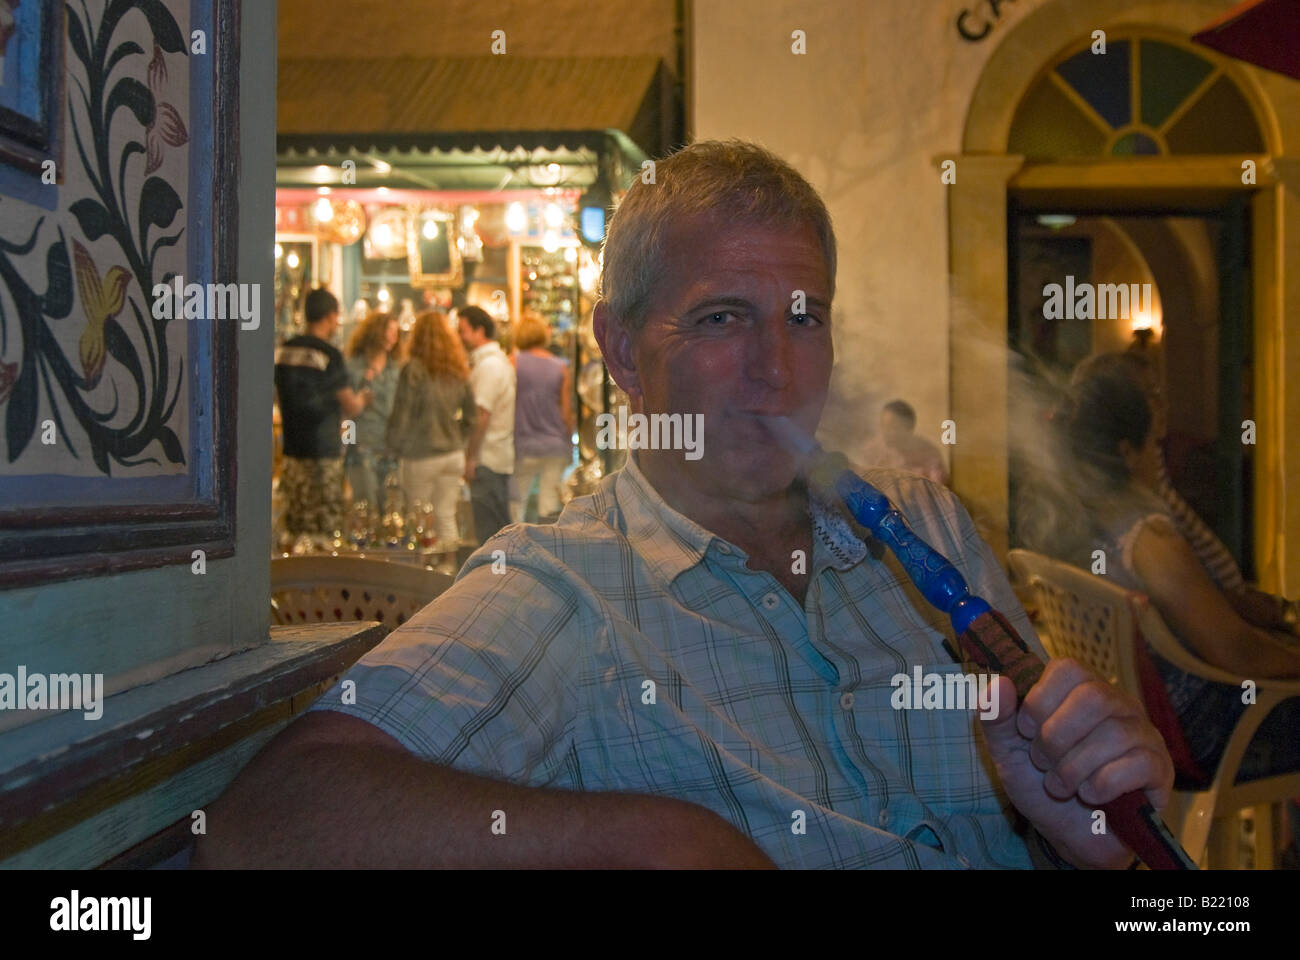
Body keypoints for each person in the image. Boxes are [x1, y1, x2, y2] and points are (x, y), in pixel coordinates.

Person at [198, 141, 1171, 870]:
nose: (777, 371)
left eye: (804, 319)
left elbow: (1063, 821)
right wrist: (655, 834)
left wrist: (1086, 838)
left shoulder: (924, 523)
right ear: (621, 352)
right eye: (720, 319)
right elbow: (263, 825)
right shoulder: (562, 586)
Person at [1040, 352, 1300, 787]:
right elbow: (1236, 652)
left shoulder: (1079, 528)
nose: (1157, 454)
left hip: (1140, 726)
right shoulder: (1147, 539)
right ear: (1127, 451)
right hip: (1206, 737)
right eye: (1152, 445)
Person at [273, 289, 372, 542]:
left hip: (292, 452)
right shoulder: (330, 354)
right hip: (323, 453)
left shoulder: (283, 351)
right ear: (330, 316)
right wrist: (364, 397)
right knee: (326, 530)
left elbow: (275, 396)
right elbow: (350, 405)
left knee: (295, 527)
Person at [386, 312, 478, 575]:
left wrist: (394, 446)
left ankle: (422, 576)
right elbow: (472, 417)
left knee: (419, 518)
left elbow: (402, 414)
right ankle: (449, 572)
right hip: (451, 454)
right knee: (446, 514)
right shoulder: (457, 369)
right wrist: (458, 438)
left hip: (420, 453)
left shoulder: (412, 369)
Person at [456, 305, 515, 544]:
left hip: (488, 459)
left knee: (491, 536)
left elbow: (481, 415)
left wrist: (471, 457)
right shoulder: (494, 363)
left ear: (479, 331)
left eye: (463, 330)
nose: (460, 337)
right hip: (493, 457)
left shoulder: (490, 366)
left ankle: (496, 579)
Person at [509, 311, 575, 523]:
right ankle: (548, 551)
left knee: (517, 505)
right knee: (549, 509)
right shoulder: (560, 367)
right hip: (554, 444)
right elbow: (566, 412)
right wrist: (568, 443)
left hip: (523, 444)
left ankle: (515, 551)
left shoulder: (513, 364)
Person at [343, 311, 401, 509]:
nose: (393, 337)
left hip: (390, 446)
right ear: (377, 331)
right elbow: (344, 412)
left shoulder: (396, 369)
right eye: (389, 330)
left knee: (390, 506)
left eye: (396, 332)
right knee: (365, 505)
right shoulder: (352, 367)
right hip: (361, 446)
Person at [860, 399, 948, 485]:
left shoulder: (928, 452)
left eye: (893, 427)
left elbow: (939, 487)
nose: (886, 432)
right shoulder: (872, 450)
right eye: (883, 425)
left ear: (909, 428)